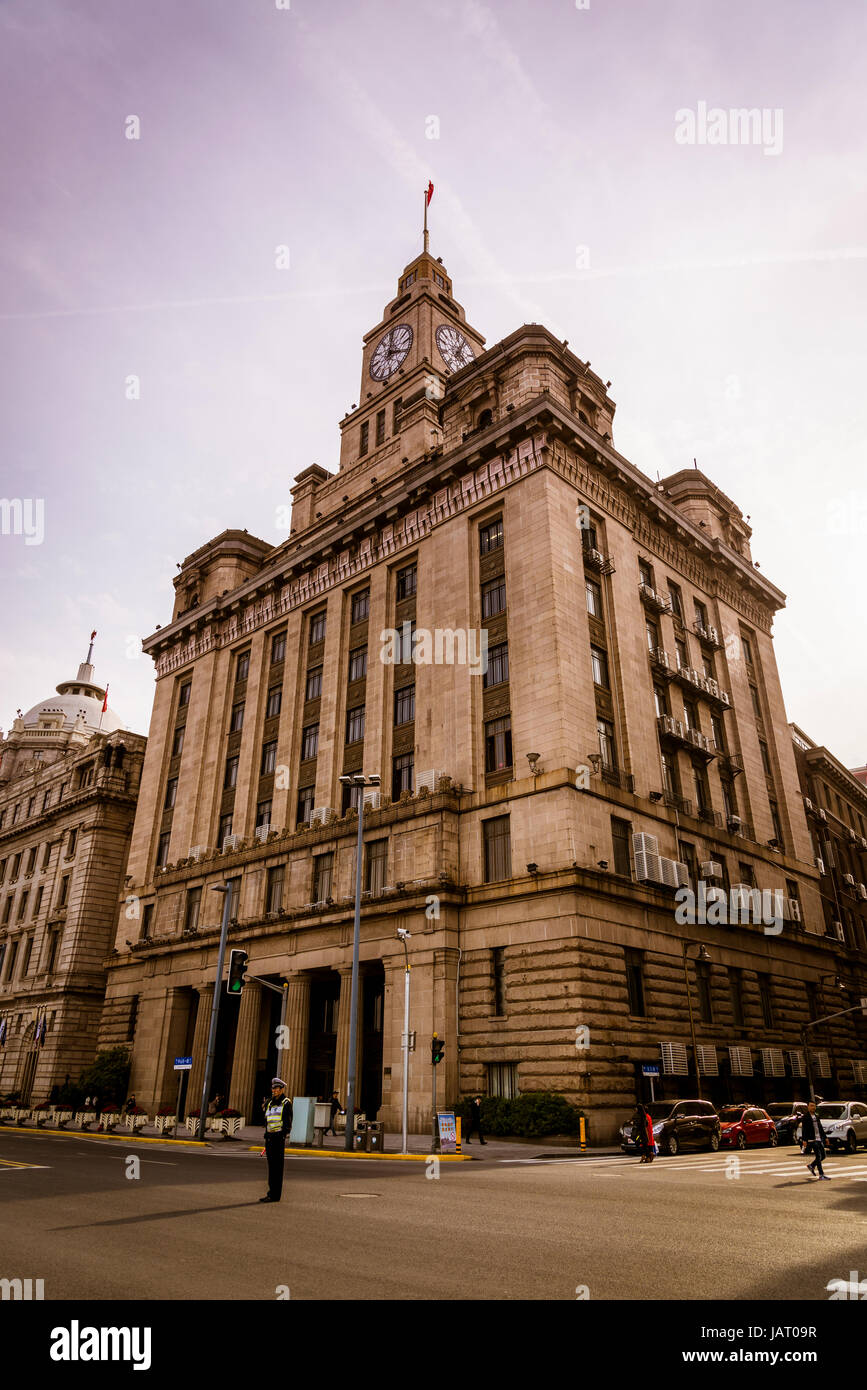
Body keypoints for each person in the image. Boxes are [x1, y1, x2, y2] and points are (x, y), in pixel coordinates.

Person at [260, 1079, 293, 1203]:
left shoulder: (286, 1102)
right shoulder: (269, 1102)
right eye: (273, 1088)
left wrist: (282, 1135)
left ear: (282, 1089)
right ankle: (270, 1192)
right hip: (269, 1138)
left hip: (278, 1139)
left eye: (277, 1089)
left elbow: (287, 1123)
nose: (274, 1091)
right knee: (271, 1167)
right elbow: (267, 1119)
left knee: (277, 1168)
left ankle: (275, 1195)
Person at [799, 1100, 830, 1180]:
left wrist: (825, 1137)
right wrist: (804, 1140)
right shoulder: (805, 1117)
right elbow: (804, 1129)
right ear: (808, 1107)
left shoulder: (816, 1116)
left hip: (819, 1138)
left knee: (823, 1155)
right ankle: (821, 1175)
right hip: (812, 1139)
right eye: (811, 1106)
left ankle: (812, 1165)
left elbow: (820, 1128)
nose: (813, 1107)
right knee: (818, 1155)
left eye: (814, 1106)